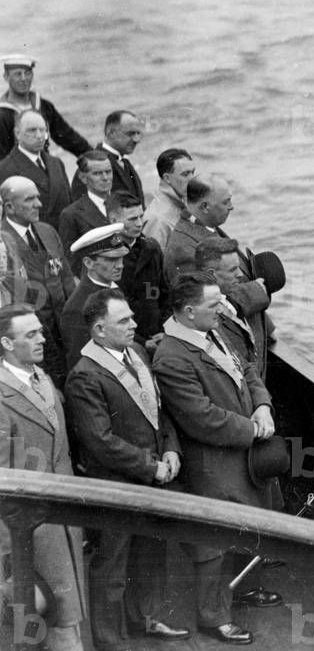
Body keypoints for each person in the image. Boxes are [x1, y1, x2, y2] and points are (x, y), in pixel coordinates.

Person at [152, 272, 282, 645]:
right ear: (189, 311)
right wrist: (252, 429)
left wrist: (263, 406)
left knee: (247, 525)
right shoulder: (171, 357)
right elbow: (201, 418)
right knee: (213, 542)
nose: (222, 308)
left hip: (239, 452)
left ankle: (239, 591)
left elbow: (248, 371)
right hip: (211, 464)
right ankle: (214, 617)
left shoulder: (213, 331)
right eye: (214, 304)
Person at [63, 289, 190, 651]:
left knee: (150, 552)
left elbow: (158, 409)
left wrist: (170, 448)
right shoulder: (84, 376)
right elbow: (99, 441)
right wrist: (152, 466)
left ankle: (146, 617)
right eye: (125, 321)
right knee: (112, 562)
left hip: (152, 474)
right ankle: (109, 639)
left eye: (132, 317)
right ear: (100, 330)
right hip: (116, 483)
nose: (134, 324)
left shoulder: (135, 354)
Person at [0, 303, 87, 651]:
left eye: (40, 331)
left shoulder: (41, 378)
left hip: (62, 525)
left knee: (66, 618)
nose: (42, 339)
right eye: (31, 334)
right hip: (30, 535)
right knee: (43, 627)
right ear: (7, 344)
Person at [0, 176, 75, 386]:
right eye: (29, 200)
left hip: (64, 334)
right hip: (31, 342)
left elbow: (67, 279)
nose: (38, 204)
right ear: (9, 207)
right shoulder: (2, 244)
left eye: (38, 198)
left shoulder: (47, 231)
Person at [195, 237, 270, 379]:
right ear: (211, 274)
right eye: (233, 270)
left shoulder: (226, 298)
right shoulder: (205, 320)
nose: (240, 275)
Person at [60, 224, 128, 369]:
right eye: (111, 260)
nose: (120, 265)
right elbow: (80, 363)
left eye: (121, 258)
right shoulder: (77, 307)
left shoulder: (113, 288)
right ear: (89, 263)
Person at [108, 192, 169, 350]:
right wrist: (142, 342)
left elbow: (163, 294)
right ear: (113, 220)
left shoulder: (151, 248)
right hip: (127, 341)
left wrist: (164, 331)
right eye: (132, 219)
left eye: (141, 217)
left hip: (158, 336)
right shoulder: (106, 256)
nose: (140, 223)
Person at [0, 54, 91, 160]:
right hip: (16, 171)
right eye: (17, 74)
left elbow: (67, 136)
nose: (24, 78)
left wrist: (92, 155)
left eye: (27, 73)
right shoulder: (3, 114)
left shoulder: (43, 106)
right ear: (6, 77)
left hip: (45, 165)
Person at [0, 109, 73, 229]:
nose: (39, 136)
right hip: (34, 241)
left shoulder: (56, 163)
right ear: (17, 134)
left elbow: (69, 205)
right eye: (32, 130)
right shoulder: (5, 169)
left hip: (64, 239)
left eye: (43, 130)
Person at [71, 111, 145, 207]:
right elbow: (81, 210)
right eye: (131, 134)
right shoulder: (92, 164)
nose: (136, 140)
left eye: (138, 133)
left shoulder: (124, 162)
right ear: (111, 133)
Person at [59, 150, 113, 267]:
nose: (105, 178)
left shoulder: (121, 204)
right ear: (83, 178)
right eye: (97, 173)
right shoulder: (71, 215)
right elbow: (70, 262)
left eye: (108, 172)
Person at [141, 148, 196, 250]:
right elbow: (153, 263)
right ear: (167, 178)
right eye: (185, 174)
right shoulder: (158, 219)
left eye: (193, 172)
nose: (192, 179)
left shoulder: (179, 205)